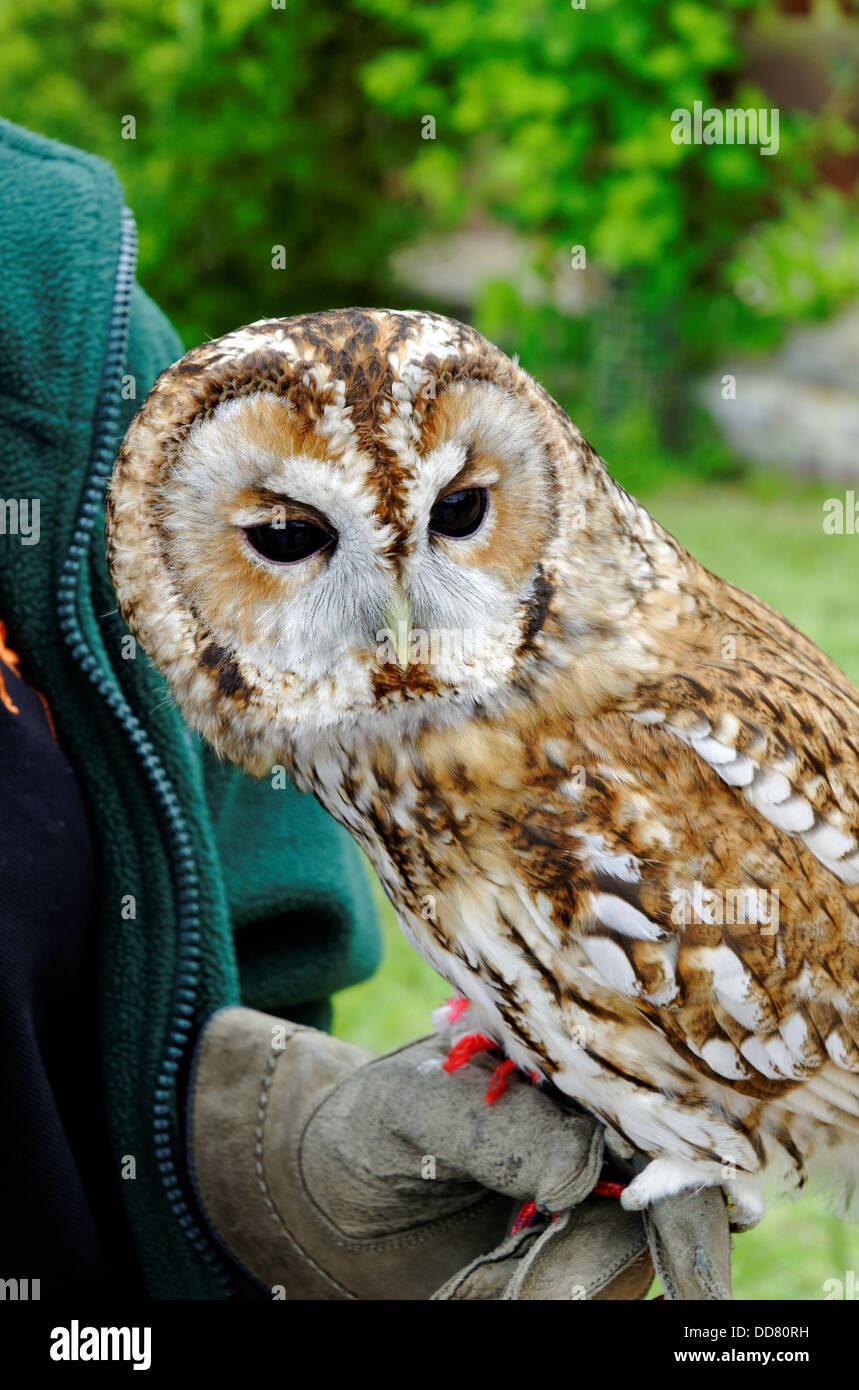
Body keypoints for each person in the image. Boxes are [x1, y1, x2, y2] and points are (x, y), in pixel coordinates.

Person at [0, 116, 730, 1301]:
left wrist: (283, 1156)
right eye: (287, 540)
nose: (389, 619)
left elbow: (233, 939)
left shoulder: (61, 318)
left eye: (456, 520)